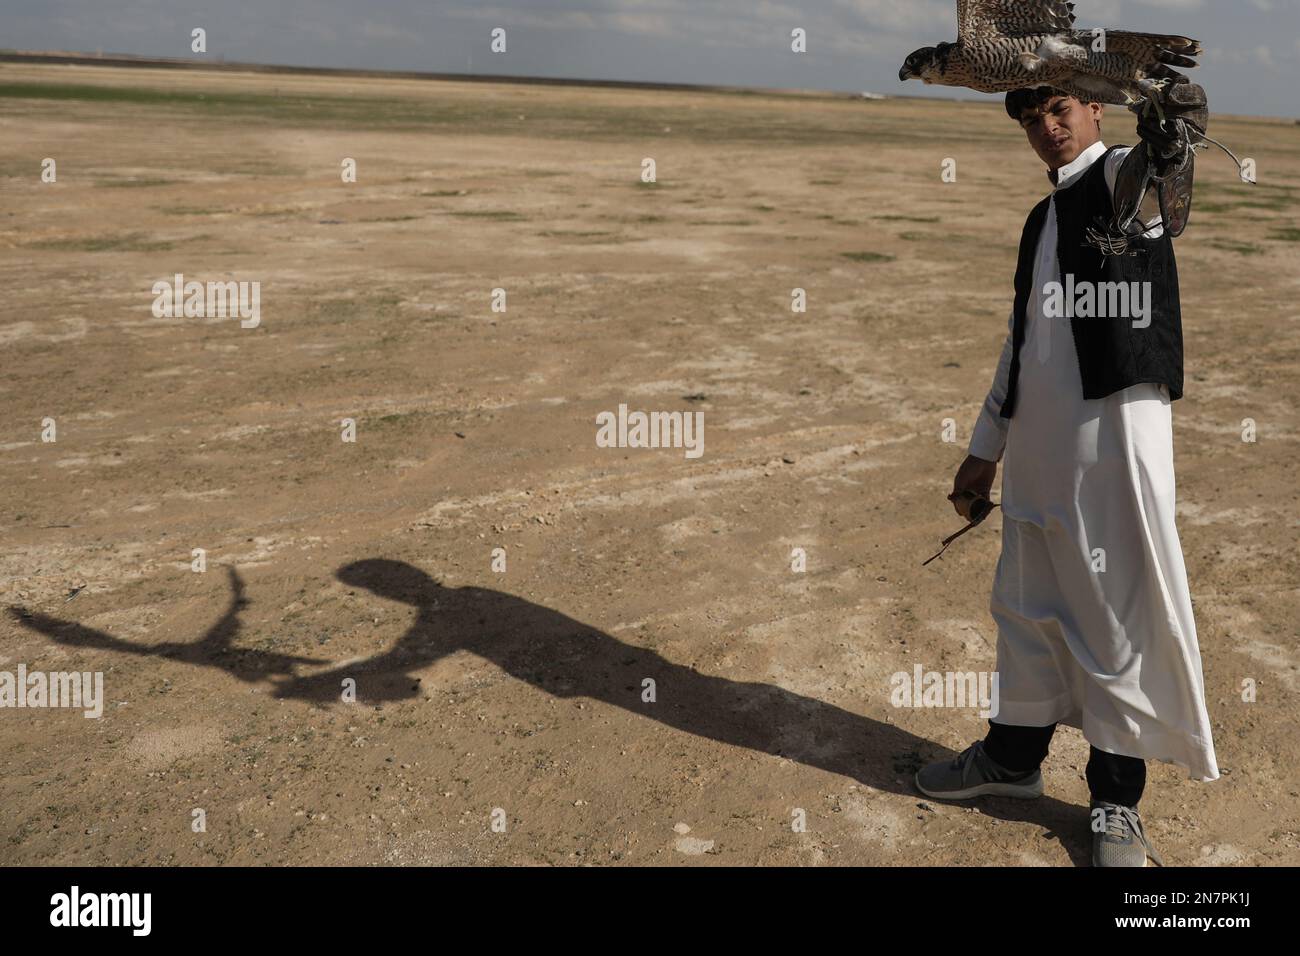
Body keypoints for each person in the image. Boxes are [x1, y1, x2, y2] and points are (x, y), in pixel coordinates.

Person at [915, 85, 1219, 867]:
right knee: (1025, 609)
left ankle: (1116, 804)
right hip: (1040, 450)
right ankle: (1011, 762)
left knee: (1112, 619)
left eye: (1059, 110)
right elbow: (1020, 341)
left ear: (1095, 111)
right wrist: (986, 447)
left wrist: (1174, 133)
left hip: (1113, 442)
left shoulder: (1124, 177)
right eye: (1030, 120)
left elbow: (1162, 189)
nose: (1045, 130)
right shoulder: (1042, 219)